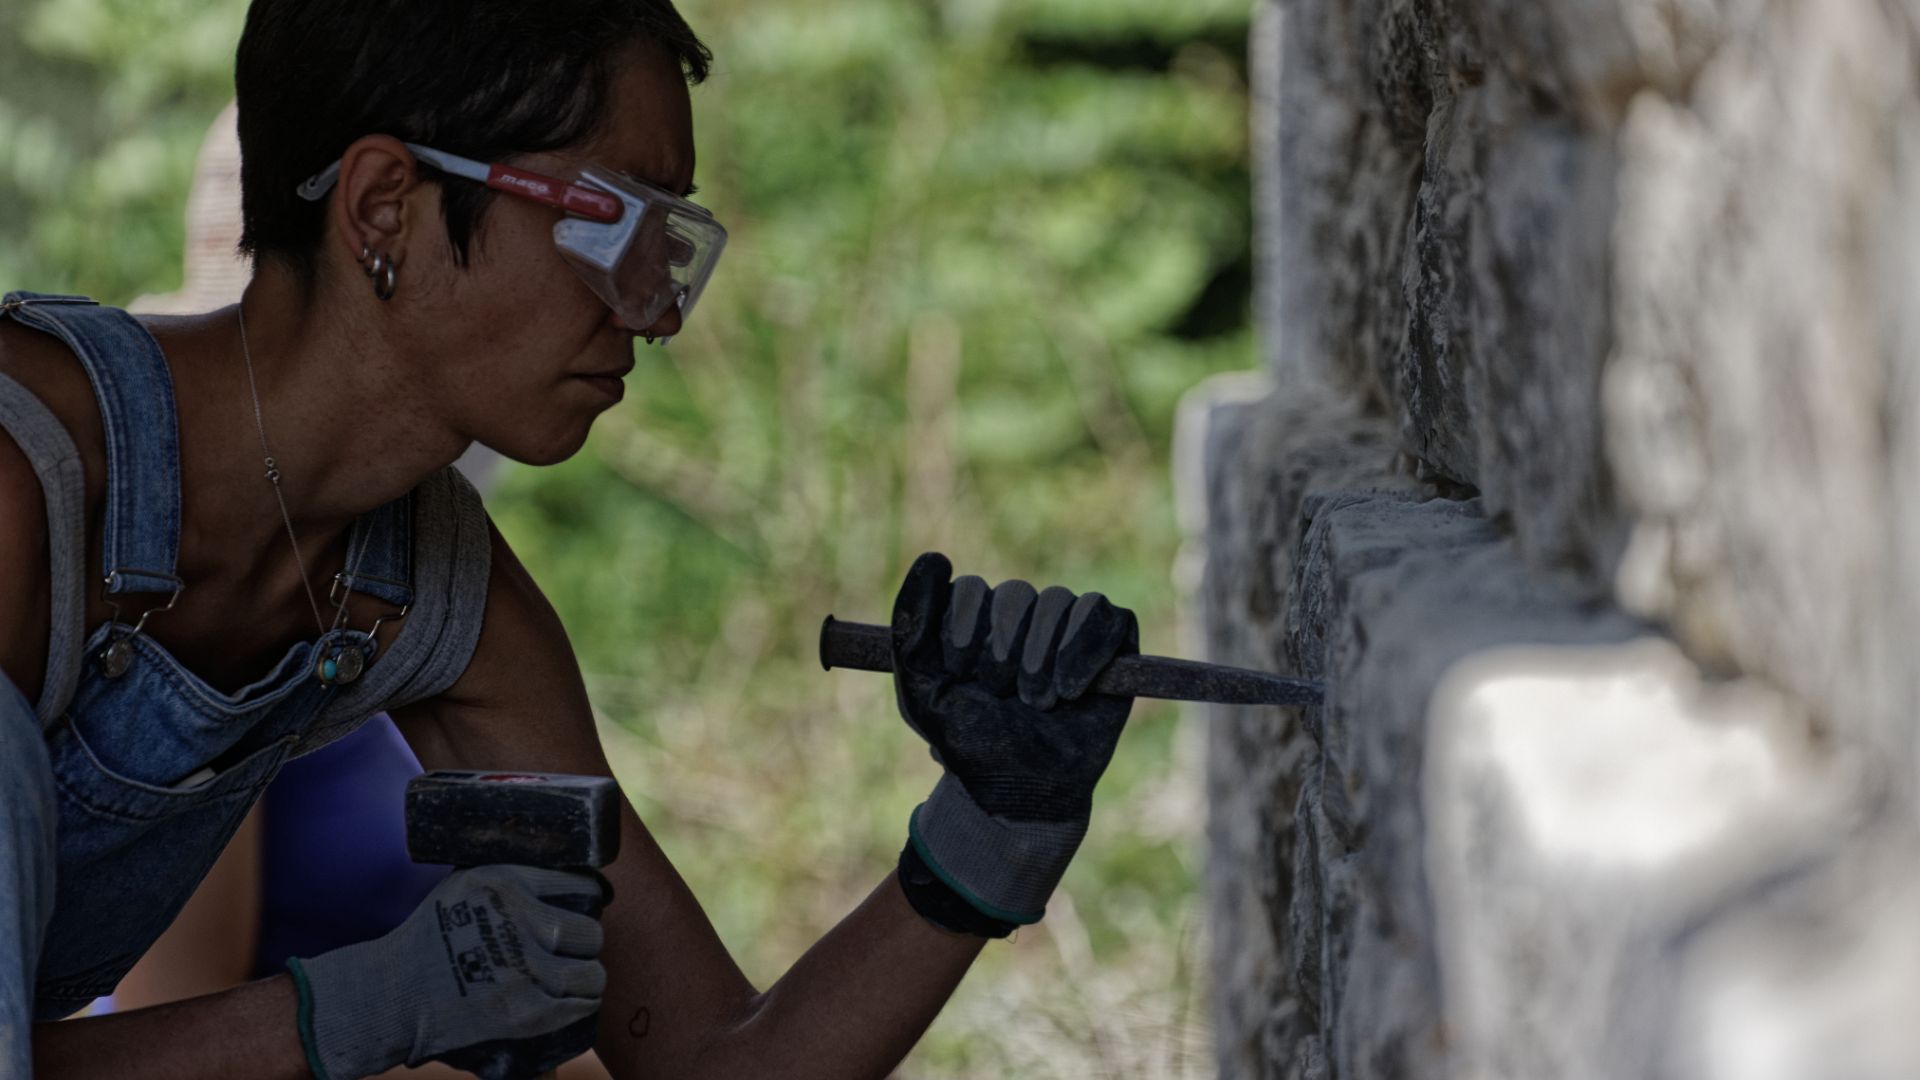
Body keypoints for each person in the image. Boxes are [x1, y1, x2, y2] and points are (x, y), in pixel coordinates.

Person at [0, 2, 1141, 1078]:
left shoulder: (421, 590)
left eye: (677, 239)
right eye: (617, 221)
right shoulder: (25, 487)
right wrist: (347, 1012)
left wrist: (989, 834)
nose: (659, 308)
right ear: (384, 204)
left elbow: (709, 1061)